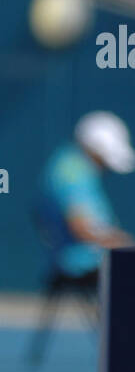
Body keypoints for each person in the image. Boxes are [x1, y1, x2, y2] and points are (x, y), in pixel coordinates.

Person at [36, 112, 135, 287]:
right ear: (94, 150)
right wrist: (121, 243)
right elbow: (81, 228)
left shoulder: (74, 168)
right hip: (83, 263)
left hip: (92, 259)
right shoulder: (72, 174)